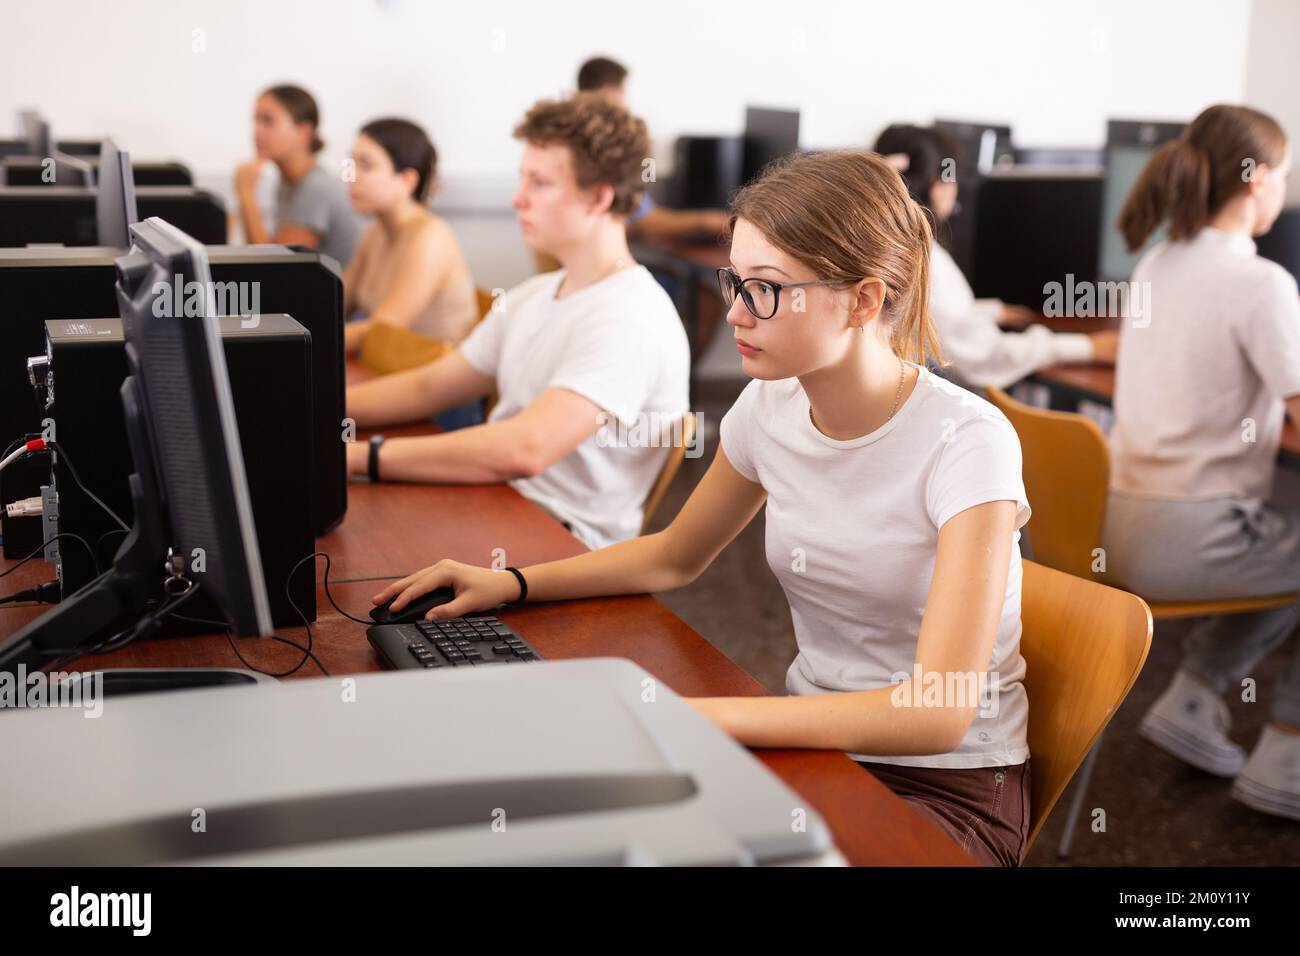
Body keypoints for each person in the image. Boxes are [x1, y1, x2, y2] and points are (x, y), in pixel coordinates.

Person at [371, 149, 1035, 866]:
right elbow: (674, 553)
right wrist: (511, 582)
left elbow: (939, 712)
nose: (736, 312)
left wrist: (695, 720)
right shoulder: (772, 404)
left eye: (768, 290)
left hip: (947, 786)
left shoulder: (967, 442)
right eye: (736, 281)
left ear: (865, 301)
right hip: (815, 742)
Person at [344, 93, 691, 550]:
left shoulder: (630, 315)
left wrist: (357, 457)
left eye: (540, 182)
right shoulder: (536, 295)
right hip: (501, 502)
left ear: (599, 197)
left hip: (556, 538)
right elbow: (431, 386)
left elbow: (526, 450)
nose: (517, 198)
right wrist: (316, 407)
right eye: (521, 178)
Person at [1102, 104, 1300, 821]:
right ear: (1256, 184)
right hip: (1192, 538)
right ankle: (1286, 749)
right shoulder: (1262, 284)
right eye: (1283, 173)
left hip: (1114, 528)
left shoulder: (1158, 263)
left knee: (1286, 539)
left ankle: (1196, 693)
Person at [874, 124, 1117, 389]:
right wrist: (1086, 347)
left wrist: (990, 311)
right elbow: (987, 355)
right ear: (938, 186)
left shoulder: (877, 247)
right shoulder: (927, 260)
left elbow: (930, 317)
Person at [342, 117, 478, 357]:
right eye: (351, 163)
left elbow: (379, 331)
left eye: (366, 165)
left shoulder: (429, 238)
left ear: (407, 180)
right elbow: (337, 301)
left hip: (436, 381)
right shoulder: (376, 232)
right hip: (388, 367)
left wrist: (301, 342)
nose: (351, 176)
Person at [578, 56, 730, 243]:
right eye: (624, 91)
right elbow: (645, 219)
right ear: (610, 92)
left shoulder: (576, 138)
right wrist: (705, 221)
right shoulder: (609, 144)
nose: (627, 102)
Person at [234, 84, 362, 267]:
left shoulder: (315, 188)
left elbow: (273, 268)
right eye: (255, 120)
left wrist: (246, 194)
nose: (256, 132)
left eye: (268, 121)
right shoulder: (287, 182)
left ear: (304, 131)